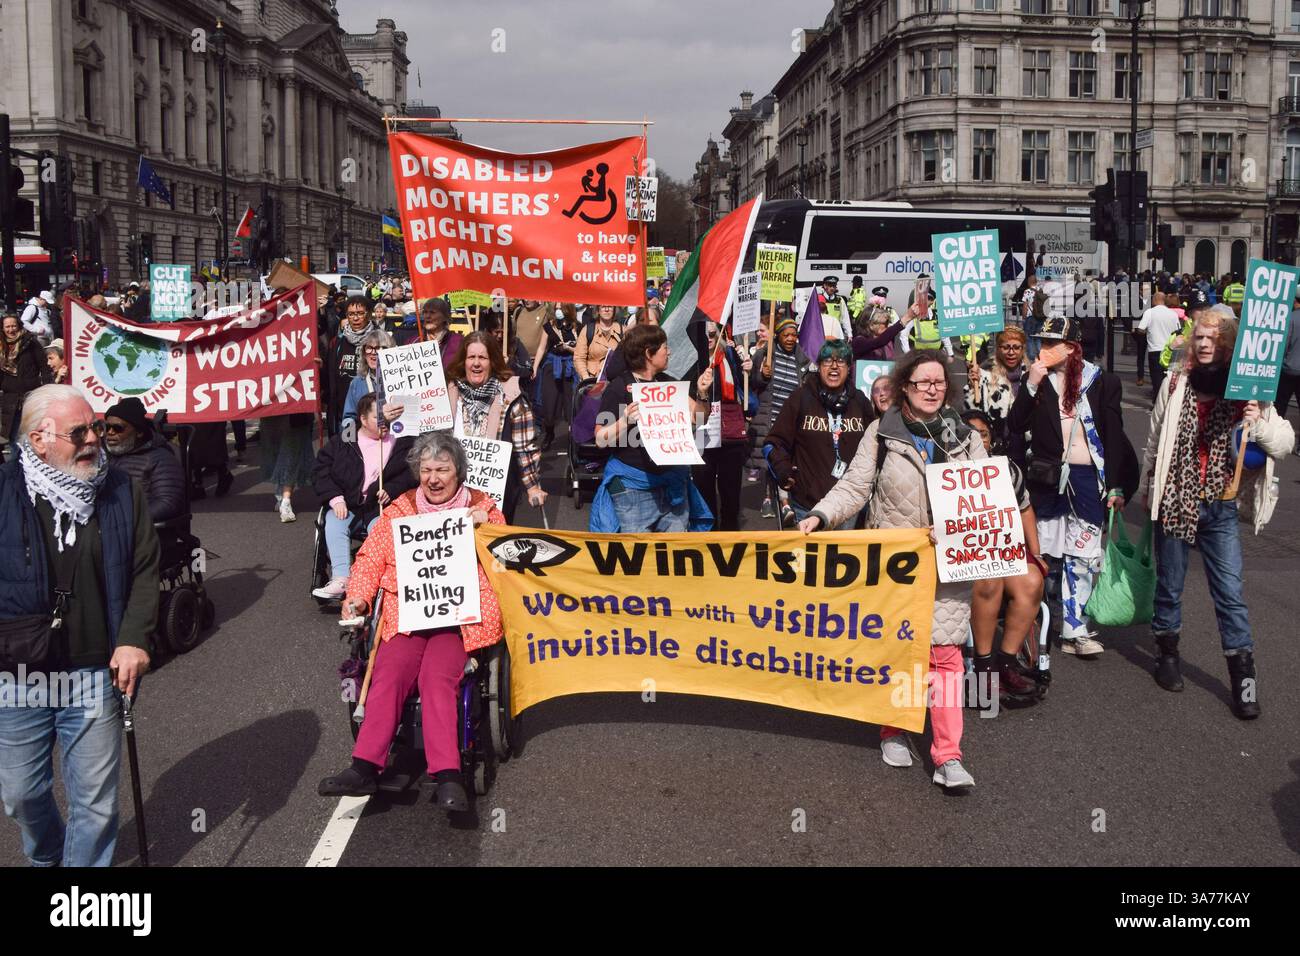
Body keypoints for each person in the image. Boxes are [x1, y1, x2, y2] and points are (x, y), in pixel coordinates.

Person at [797, 350, 985, 789]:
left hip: (948, 564)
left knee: (946, 656)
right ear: (905, 387)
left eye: (939, 382)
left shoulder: (964, 436)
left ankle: (948, 756)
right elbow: (856, 486)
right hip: (897, 566)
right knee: (899, 651)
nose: (933, 390)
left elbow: (987, 495)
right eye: (923, 383)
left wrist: (962, 525)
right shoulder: (882, 433)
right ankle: (894, 729)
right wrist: (821, 516)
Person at [0, 384, 157, 866]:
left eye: (95, 426)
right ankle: (48, 858)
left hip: (94, 670)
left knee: (95, 803)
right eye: (79, 431)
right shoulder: (5, 492)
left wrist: (132, 640)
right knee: (21, 795)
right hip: (20, 672)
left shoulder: (122, 492)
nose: (94, 438)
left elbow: (145, 570)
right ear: (38, 439)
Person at [318, 433, 506, 812]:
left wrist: (486, 526)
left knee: (437, 678)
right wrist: (357, 597)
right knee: (389, 670)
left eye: (443, 469)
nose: (433, 478)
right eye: (426, 470)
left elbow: (507, 553)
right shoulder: (400, 510)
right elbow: (370, 560)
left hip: (457, 620)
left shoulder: (481, 506)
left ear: (459, 472)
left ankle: (448, 774)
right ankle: (365, 766)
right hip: (407, 614)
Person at [1138, 309, 1294, 718]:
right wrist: (1145, 487)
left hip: (1220, 503)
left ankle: (1243, 675)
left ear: (1227, 345)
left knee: (1230, 593)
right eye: (1200, 337)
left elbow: (1284, 443)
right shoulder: (1176, 381)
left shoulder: (1248, 388)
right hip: (1174, 497)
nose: (1205, 344)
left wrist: (1257, 422)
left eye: (1214, 339)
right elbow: (1154, 438)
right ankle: (1167, 654)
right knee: (1170, 585)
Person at [1007, 313, 1138, 658]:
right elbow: (1016, 425)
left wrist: (1116, 486)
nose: (1044, 348)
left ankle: (1073, 630)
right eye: (1042, 341)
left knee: (1082, 557)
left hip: (1086, 479)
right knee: (1041, 554)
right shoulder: (1037, 379)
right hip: (1046, 478)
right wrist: (1031, 383)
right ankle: (1028, 622)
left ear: (1071, 347)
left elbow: (1113, 435)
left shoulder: (1102, 381)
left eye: (1052, 343)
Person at [961, 409, 1047, 707]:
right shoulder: (945, 469)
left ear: (991, 439)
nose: (976, 440)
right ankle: (983, 668)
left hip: (1001, 550)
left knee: (1032, 580)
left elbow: (1025, 509)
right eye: (969, 434)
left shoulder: (1007, 471)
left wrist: (1036, 554)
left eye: (982, 434)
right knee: (988, 577)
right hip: (961, 557)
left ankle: (1006, 663)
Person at [591, 324, 713, 533]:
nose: (669, 352)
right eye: (665, 347)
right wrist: (625, 420)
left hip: (673, 489)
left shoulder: (669, 384)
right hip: (634, 490)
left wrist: (702, 393)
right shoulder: (618, 388)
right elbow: (600, 439)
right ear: (649, 353)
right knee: (638, 559)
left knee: (674, 557)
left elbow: (699, 418)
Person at [310, 393, 417, 600]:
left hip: (378, 506)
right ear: (363, 419)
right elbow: (320, 471)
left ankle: (370, 582)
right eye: (379, 418)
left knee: (382, 531)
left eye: (388, 416)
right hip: (347, 504)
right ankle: (341, 578)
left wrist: (392, 489)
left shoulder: (401, 441)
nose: (384, 422)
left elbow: (412, 473)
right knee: (333, 520)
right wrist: (335, 498)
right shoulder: (344, 440)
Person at [765, 338, 873, 529]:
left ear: (849, 368)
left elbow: (874, 445)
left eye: (840, 361)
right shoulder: (800, 397)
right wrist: (783, 469)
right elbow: (774, 442)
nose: (834, 366)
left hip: (850, 506)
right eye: (827, 361)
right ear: (819, 366)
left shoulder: (860, 402)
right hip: (807, 505)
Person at [446, 331, 547, 523]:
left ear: (492, 361)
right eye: (471, 357)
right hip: (451, 490)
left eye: (482, 357)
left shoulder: (512, 397)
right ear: (463, 361)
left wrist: (532, 486)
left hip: (494, 493)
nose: (476, 363)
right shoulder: (449, 392)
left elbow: (525, 448)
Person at [692, 322, 753, 532]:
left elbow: (750, 386)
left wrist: (751, 371)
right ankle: (708, 532)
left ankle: (730, 534)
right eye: (704, 335)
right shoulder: (693, 361)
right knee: (703, 486)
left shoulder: (730, 357)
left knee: (730, 490)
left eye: (712, 334)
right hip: (702, 429)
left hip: (730, 431)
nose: (709, 338)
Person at [751, 312, 810, 519]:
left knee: (784, 460)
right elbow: (752, 384)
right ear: (778, 336)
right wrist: (762, 376)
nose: (791, 339)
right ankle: (767, 498)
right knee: (768, 459)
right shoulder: (764, 355)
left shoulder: (802, 360)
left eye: (794, 335)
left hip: (789, 421)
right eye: (786, 335)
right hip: (769, 416)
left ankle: (785, 502)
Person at [103, 397, 187, 523]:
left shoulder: (161, 459)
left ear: (139, 432)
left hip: (143, 531)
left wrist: (126, 519)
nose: (110, 432)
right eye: (107, 427)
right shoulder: (103, 456)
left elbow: (168, 502)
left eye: (118, 428)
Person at [964, 328, 1028, 450]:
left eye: (1016, 347)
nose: (1011, 352)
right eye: (1005, 347)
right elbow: (971, 417)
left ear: (1023, 349)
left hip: (1025, 449)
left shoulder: (1031, 376)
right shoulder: (984, 373)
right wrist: (973, 388)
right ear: (998, 349)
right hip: (996, 449)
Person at [2, 313, 53, 455]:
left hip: (29, 395)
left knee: (27, 433)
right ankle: (16, 468)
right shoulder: (1, 345)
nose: (11, 329)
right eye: (7, 327)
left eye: (13, 326)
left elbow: (44, 366)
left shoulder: (30, 342)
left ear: (19, 326)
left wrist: (48, 388)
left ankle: (29, 464)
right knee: (12, 437)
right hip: (9, 398)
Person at [532, 304, 579, 448]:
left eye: (561, 307)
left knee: (571, 403)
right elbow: (542, 347)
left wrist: (568, 348)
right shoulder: (549, 326)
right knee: (549, 403)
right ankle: (549, 432)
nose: (558, 310)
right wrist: (535, 368)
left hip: (570, 366)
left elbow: (580, 349)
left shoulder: (577, 326)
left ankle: (574, 437)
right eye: (556, 307)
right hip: (552, 367)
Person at [327, 296, 374, 434]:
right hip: (346, 415)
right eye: (351, 314)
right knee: (348, 448)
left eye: (360, 313)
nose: (355, 318)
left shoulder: (380, 340)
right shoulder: (337, 342)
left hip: (372, 415)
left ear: (369, 314)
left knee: (369, 452)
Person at [262, 411, 315, 523]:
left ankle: (286, 499)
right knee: (276, 454)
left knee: (291, 454)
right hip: (271, 412)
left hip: (295, 412)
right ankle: (280, 495)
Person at [342, 329, 404, 424]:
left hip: (396, 434)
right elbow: (349, 417)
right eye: (369, 348)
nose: (373, 352)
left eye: (380, 348)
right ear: (363, 353)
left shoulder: (400, 380)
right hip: (366, 436)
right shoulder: (357, 382)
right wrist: (352, 432)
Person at [1138, 291, 1183, 398]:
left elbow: (1140, 329)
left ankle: (1157, 401)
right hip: (1170, 350)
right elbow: (1178, 331)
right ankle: (1168, 399)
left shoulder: (1149, 312)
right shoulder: (1173, 314)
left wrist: (1149, 331)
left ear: (1155, 300)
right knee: (1168, 377)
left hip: (1155, 349)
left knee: (1156, 378)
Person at [573, 304, 624, 381]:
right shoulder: (588, 330)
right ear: (598, 310)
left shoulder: (622, 330)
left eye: (610, 306)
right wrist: (585, 377)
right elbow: (579, 357)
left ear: (614, 310)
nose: (607, 309)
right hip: (593, 380)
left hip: (616, 380)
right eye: (603, 306)